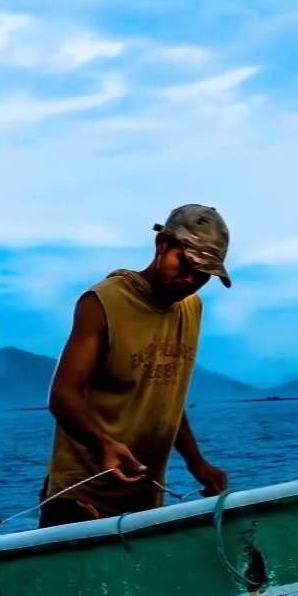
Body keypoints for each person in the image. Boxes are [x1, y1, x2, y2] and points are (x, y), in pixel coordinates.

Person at [40, 204, 233, 528]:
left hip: (143, 503)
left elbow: (163, 395)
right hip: (81, 500)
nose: (190, 279)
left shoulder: (190, 307)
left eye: (204, 274)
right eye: (185, 264)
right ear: (162, 245)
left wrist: (196, 462)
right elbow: (63, 396)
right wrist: (104, 444)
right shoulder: (103, 302)